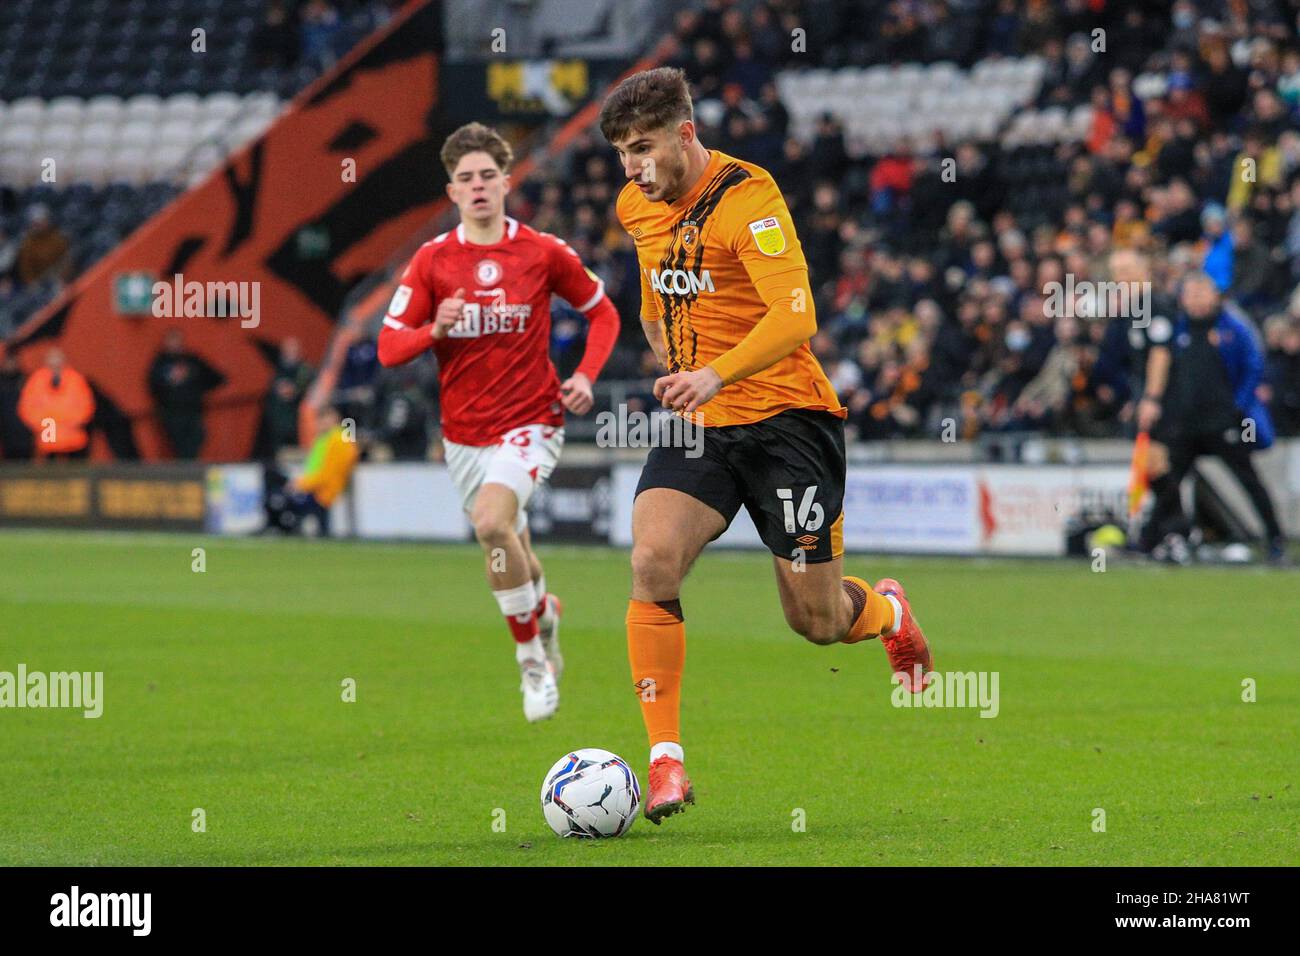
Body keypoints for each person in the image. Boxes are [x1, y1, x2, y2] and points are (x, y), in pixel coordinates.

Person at [600, 67, 933, 825]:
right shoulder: (635, 205)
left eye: (644, 148)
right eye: (622, 152)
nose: (633, 168)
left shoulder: (748, 198)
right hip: (704, 421)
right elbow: (655, 295)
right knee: (651, 560)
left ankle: (885, 613)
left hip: (789, 420)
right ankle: (665, 762)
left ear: (686, 133)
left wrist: (714, 372)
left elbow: (797, 316)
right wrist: (669, 353)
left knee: (814, 621)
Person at [377, 122, 621, 723]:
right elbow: (387, 347)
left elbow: (605, 314)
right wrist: (434, 330)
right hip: (464, 436)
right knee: (512, 550)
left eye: (488, 175)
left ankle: (530, 661)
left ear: (507, 182)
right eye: (467, 179)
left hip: (532, 420)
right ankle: (546, 612)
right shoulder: (432, 261)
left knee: (490, 524)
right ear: (452, 192)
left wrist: (585, 376)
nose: (479, 185)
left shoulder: (541, 251)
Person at [1137, 272, 1286, 562]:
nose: (1195, 300)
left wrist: (1238, 407)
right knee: (1169, 483)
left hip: (1223, 422)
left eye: (1201, 293)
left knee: (1248, 479)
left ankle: (1275, 538)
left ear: (1214, 296)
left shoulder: (1232, 327)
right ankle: (1148, 539)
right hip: (1185, 424)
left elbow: (1253, 365)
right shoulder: (1175, 330)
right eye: (1190, 294)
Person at [148, 328, 225, 460]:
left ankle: (190, 471)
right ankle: (185, 473)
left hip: (194, 411)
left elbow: (217, 377)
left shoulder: (192, 360)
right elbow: (153, 385)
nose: (174, 344)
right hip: (172, 413)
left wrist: (198, 390)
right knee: (180, 446)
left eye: (177, 340)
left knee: (196, 440)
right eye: (171, 340)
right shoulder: (160, 362)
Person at [286, 406, 359, 536]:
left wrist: (301, 485)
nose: (321, 423)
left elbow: (326, 473)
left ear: (335, 419)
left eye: (325, 419)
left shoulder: (338, 439)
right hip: (319, 486)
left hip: (324, 489)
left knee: (286, 502)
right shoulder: (325, 438)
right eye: (320, 420)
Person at [17, 347, 95, 460]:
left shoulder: (76, 380)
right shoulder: (36, 381)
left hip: (72, 437)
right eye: (52, 358)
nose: (55, 362)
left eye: (57, 358)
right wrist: (46, 424)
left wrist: (67, 422)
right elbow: (27, 407)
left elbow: (86, 405)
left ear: (64, 360)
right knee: (50, 473)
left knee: (76, 472)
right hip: (47, 437)